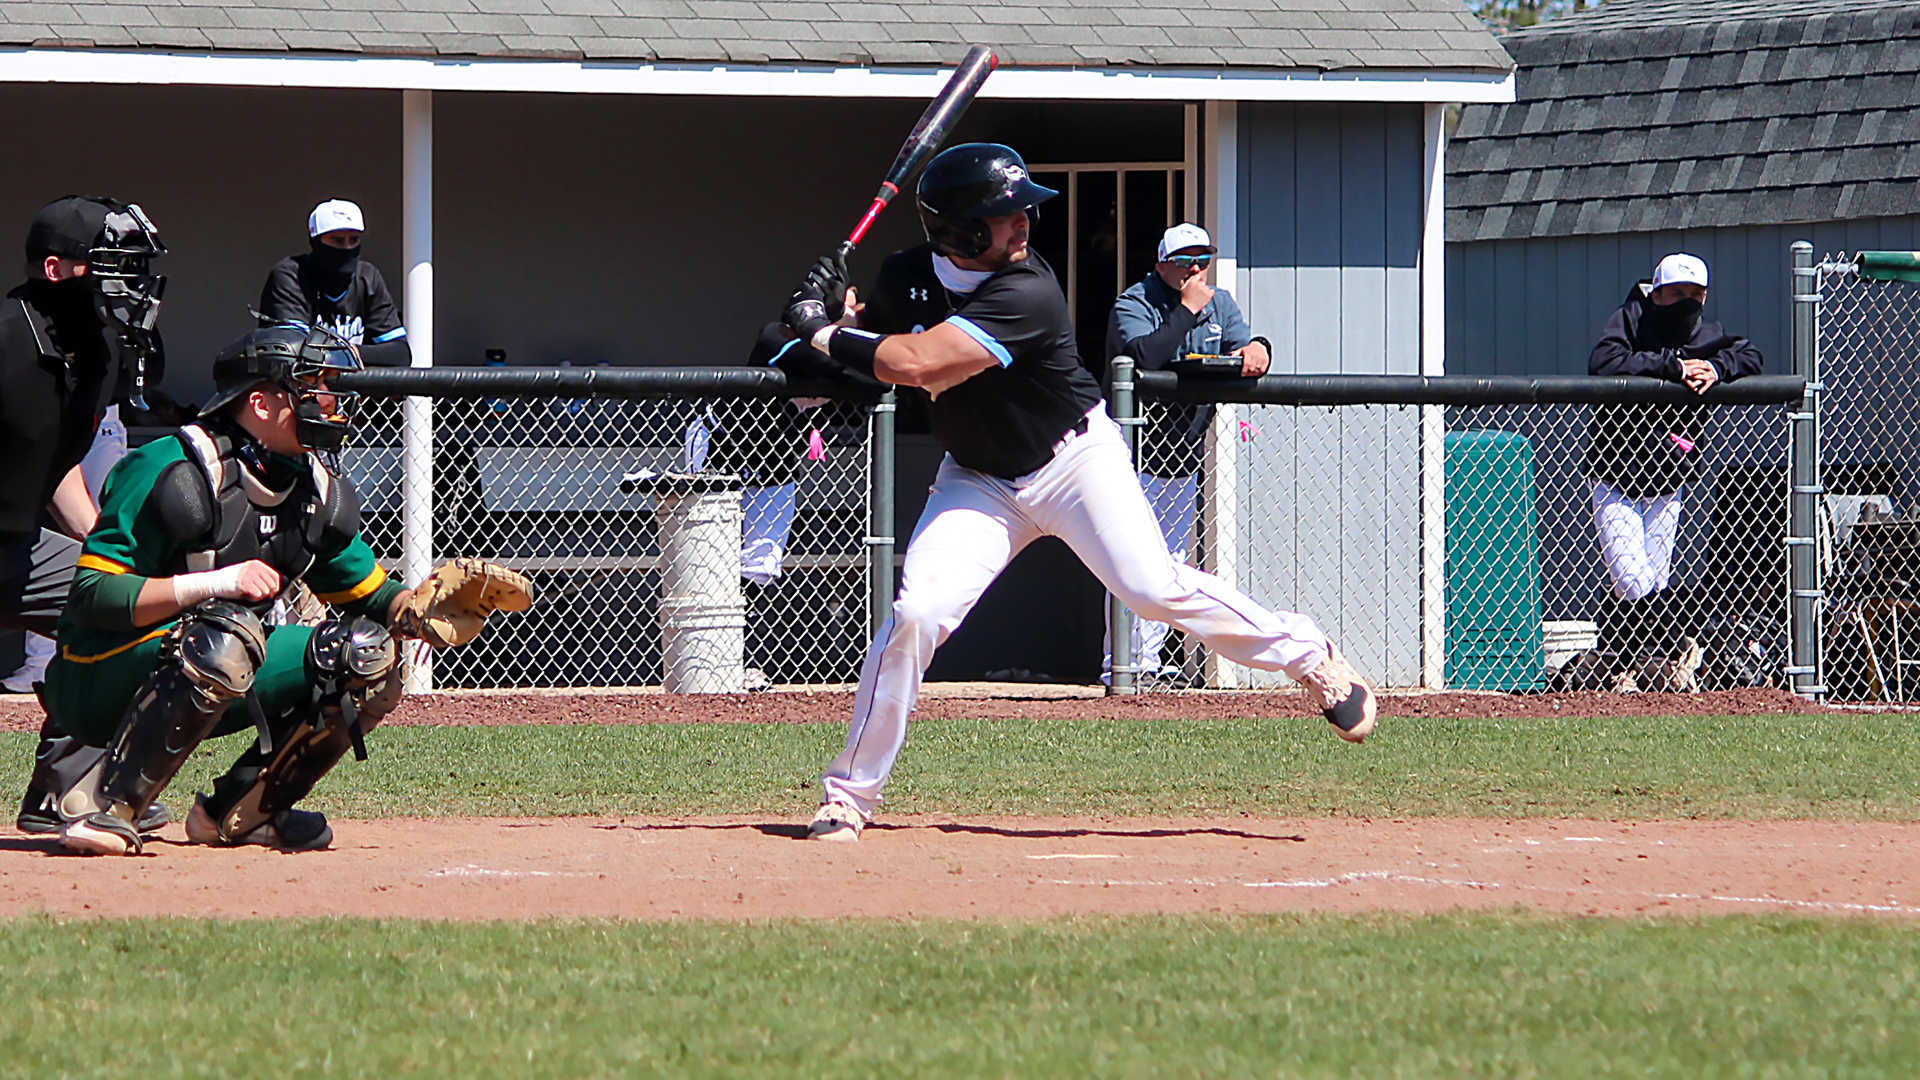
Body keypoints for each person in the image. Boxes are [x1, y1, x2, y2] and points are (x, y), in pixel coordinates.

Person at [776, 142, 1377, 842]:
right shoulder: (903, 275)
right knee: (917, 613)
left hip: (1073, 460)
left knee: (1152, 587)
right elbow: (864, 360)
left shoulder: (1027, 289)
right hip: (978, 477)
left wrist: (820, 329)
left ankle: (1310, 655)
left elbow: (915, 363)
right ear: (964, 229)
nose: (1025, 223)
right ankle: (848, 795)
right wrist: (826, 317)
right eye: (1007, 214)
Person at [39, 324, 530, 856]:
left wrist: (415, 610)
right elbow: (92, 595)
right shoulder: (171, 467)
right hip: (94, 674)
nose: (331, 401)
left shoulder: (313, 486)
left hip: (215, 658)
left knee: (367, 655)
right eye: (313, 385)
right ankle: (104, 809)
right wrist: (217, 582)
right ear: (261, 401)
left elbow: (366, 596)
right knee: (224, 637)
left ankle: (241, 812)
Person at [2, 196, 168, 833]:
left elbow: (54, 465)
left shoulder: (94, 355)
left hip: (19, 546)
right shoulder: (6, 335)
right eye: (109, 264)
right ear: (54, 270)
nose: (128, 281)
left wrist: (109, 549)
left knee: (128, 611)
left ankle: (62, 790)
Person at [1104, 222, 1270, 686]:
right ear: (1162, 264)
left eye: (1202, 259)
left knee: (1172, 558)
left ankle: (1150, 664)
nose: (1196, 269)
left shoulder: (1219, 303)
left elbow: (1245, 346)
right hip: (1130, 450)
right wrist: (1185, 309)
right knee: (1130, 556)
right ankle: (1125, 665)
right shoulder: (1135, 300)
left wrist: (1259, 349)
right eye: (1184, 261)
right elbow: (1145, 356)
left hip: (1183, 449)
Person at [1585, 253, 1763, 660]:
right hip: (1616, 473)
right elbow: (1604, 362)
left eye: (1695, 295)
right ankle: (1685, 632)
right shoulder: (1631, 319)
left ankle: (1633, 660)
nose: (1686, 302)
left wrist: (1717, 369)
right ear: (1657, 294)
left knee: (1655, 581)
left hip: (1669, 478)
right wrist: (1672, 366)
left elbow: (1750, 355)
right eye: (1676, 293)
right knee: (1632, 580)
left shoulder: (1708, 333)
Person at [258, 199, 411, 367]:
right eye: (337, 241)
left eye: (353, 240)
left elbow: (400, 353)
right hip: (299, 389)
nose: (347, 248)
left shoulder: (367, 277)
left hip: (354, 391)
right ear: (315, 241)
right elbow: (295, 351)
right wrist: (358, 355)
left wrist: (351, 352)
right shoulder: (292, 275)